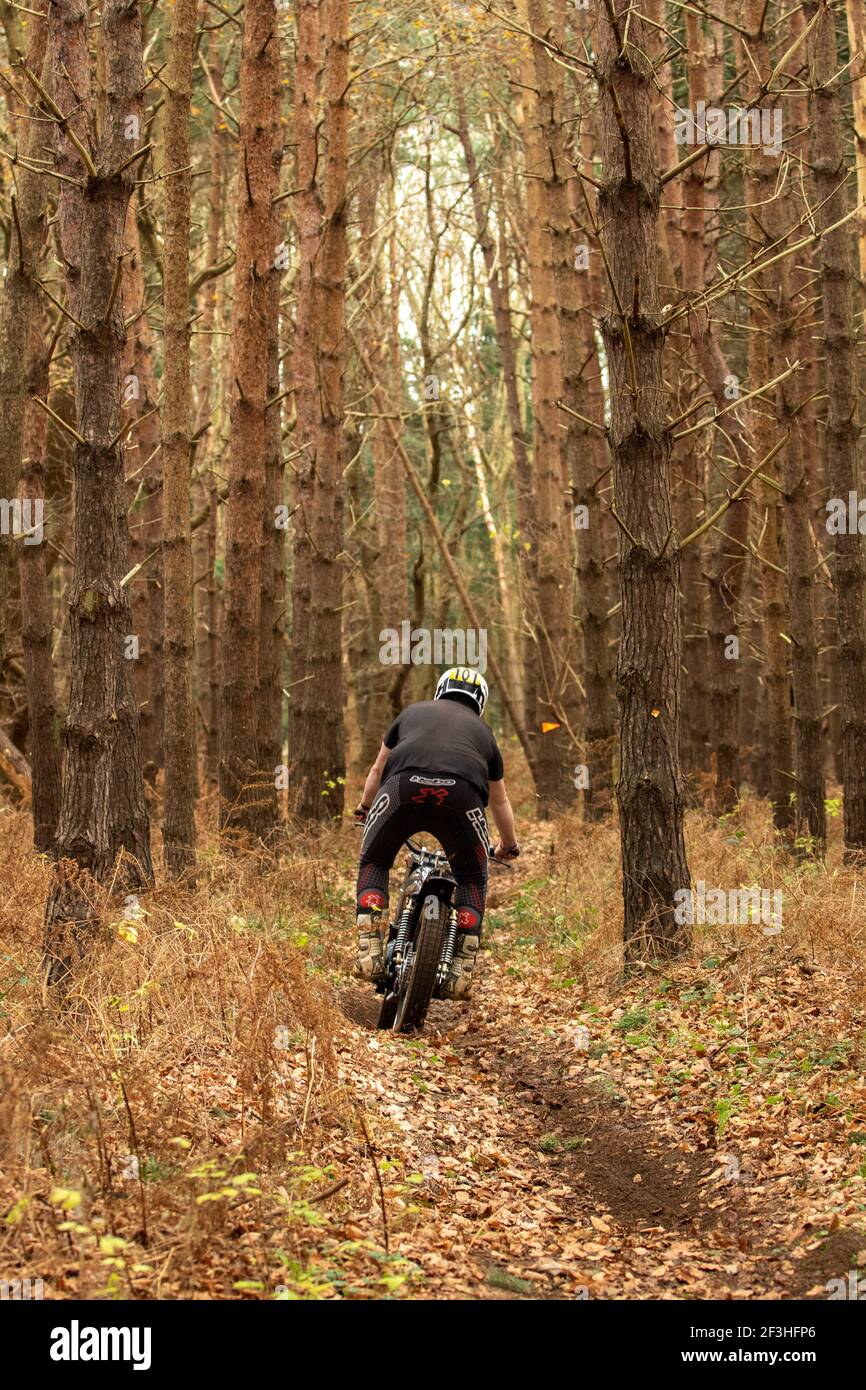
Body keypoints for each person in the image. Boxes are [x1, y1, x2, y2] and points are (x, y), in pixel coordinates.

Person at [352, 667, 519, 1000]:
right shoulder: (484, 733)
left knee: (376, 859)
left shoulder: (412, 713)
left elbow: (377, 769)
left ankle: (369, 948)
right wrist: (508, 845)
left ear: (441, 689)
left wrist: (365, 807)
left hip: (401, 790)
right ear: (480, 702)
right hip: (461, 798)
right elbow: (499, 801)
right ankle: (461, 968)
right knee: (471, 878)